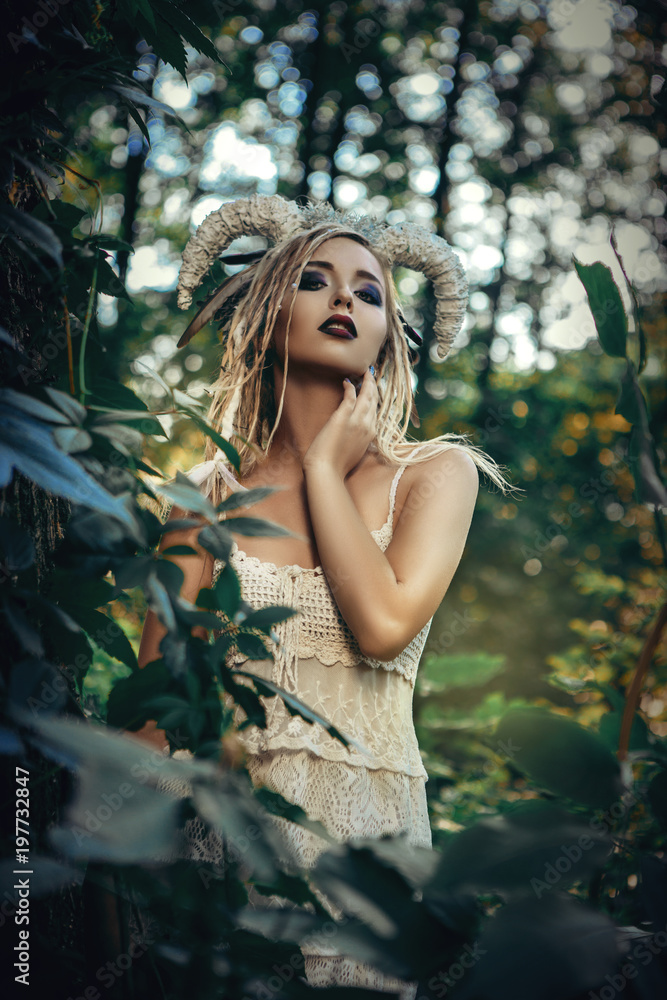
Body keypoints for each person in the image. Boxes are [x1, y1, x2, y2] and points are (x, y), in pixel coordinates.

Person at [136, 195, 517, 996]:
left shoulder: (435, 475)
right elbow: (151, 716)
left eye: (369, 291)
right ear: (264, 313)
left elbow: (379, 627)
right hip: (218, 858)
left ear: (388, 335)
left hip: (367, 861)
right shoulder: (201, 493)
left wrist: (320, 472)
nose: (345, 299)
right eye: (314, 281)